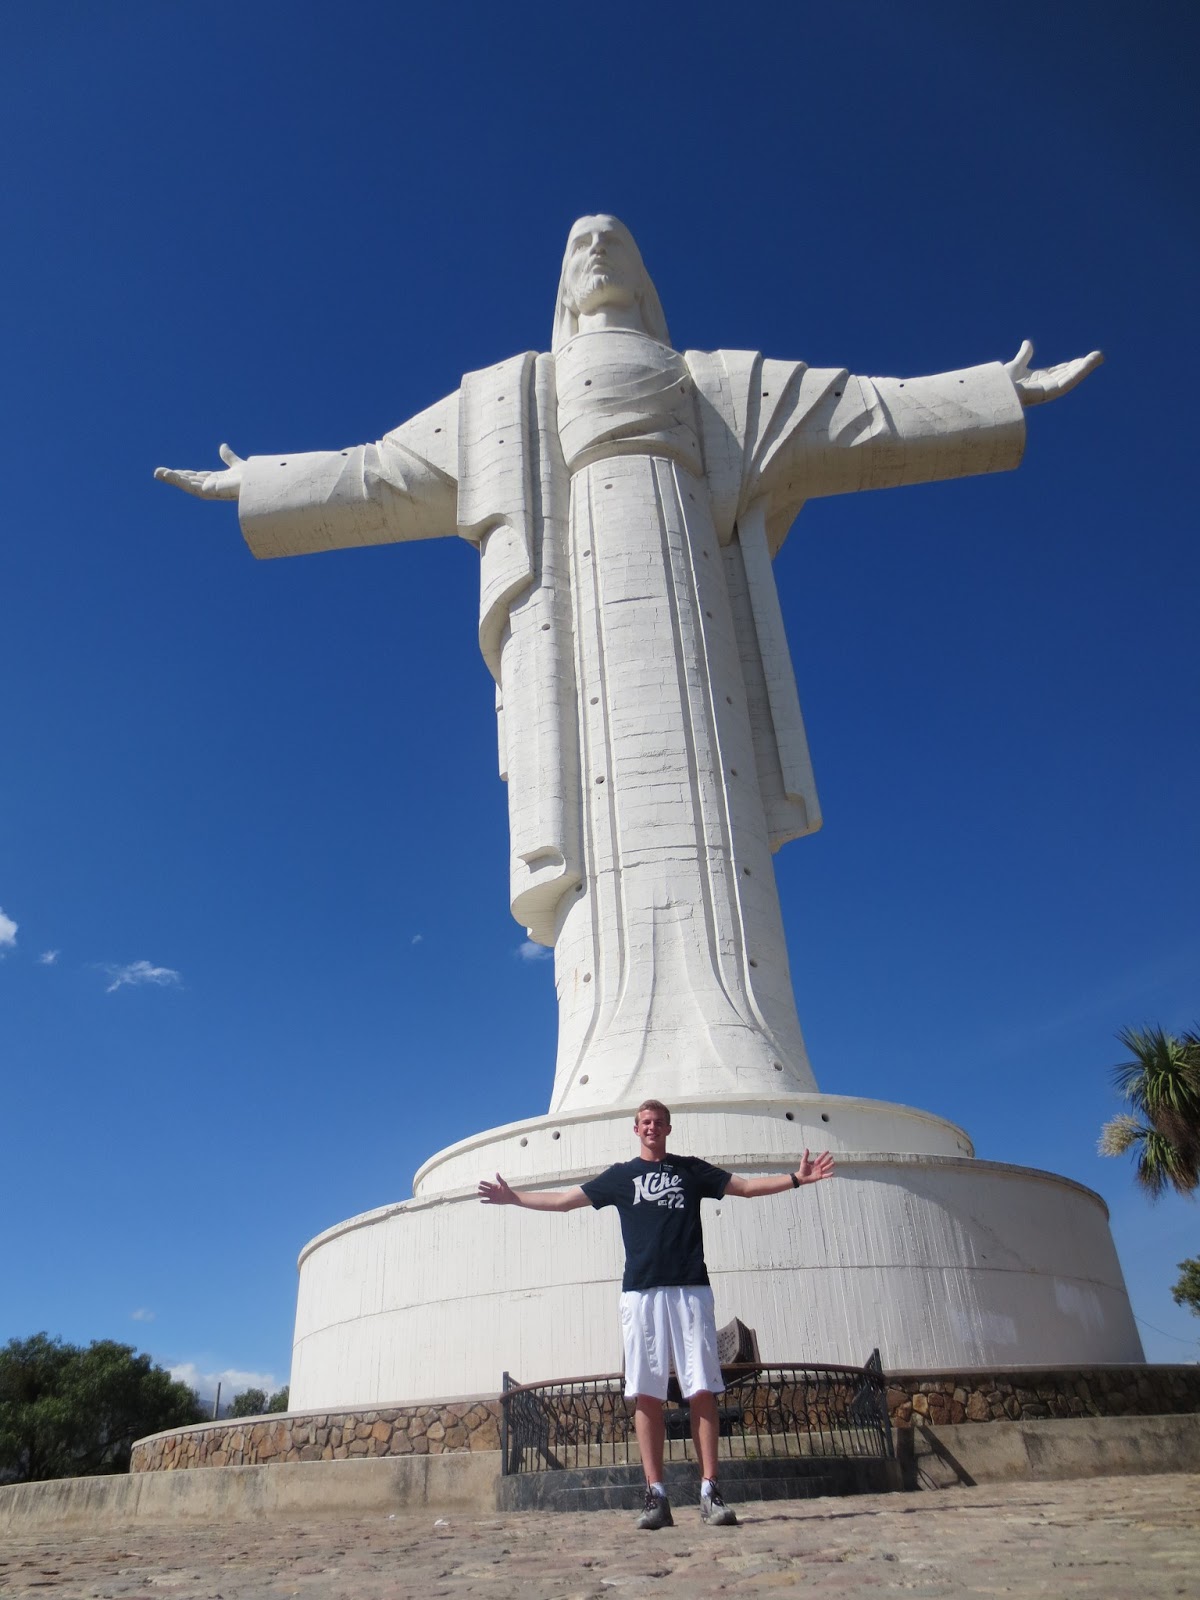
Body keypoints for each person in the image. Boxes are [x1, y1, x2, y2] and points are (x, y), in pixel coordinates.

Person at [156, 215, 1101, 1122]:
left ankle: (749, 1048)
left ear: (644, 278)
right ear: (563, 284)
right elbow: (377, 471)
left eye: (615, 241)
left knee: (719, 841)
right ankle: (603, 1063)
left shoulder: (718, 383)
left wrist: (993, 392)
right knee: (599, 853)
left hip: (694, 610)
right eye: (580, 245)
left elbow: (865, 411)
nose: (597, 251)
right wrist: (263, 481)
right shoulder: (508, 396)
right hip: (581, 630)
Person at [478, 1097, 835, 1529]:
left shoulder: (690, 1170)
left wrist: (796, 1179)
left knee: (701, 1386)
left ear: (668, 1128)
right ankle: (656, 1495)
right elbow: (566, 1200)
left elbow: (743, 1188)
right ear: (637, 1129)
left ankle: (710, 1490)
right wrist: (513, 1198)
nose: (651, 1127)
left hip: (691, 1290)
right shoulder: (621, 1176)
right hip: (640, 1294)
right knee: (645, 1391)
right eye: (645, 1122)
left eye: (658, 1122)